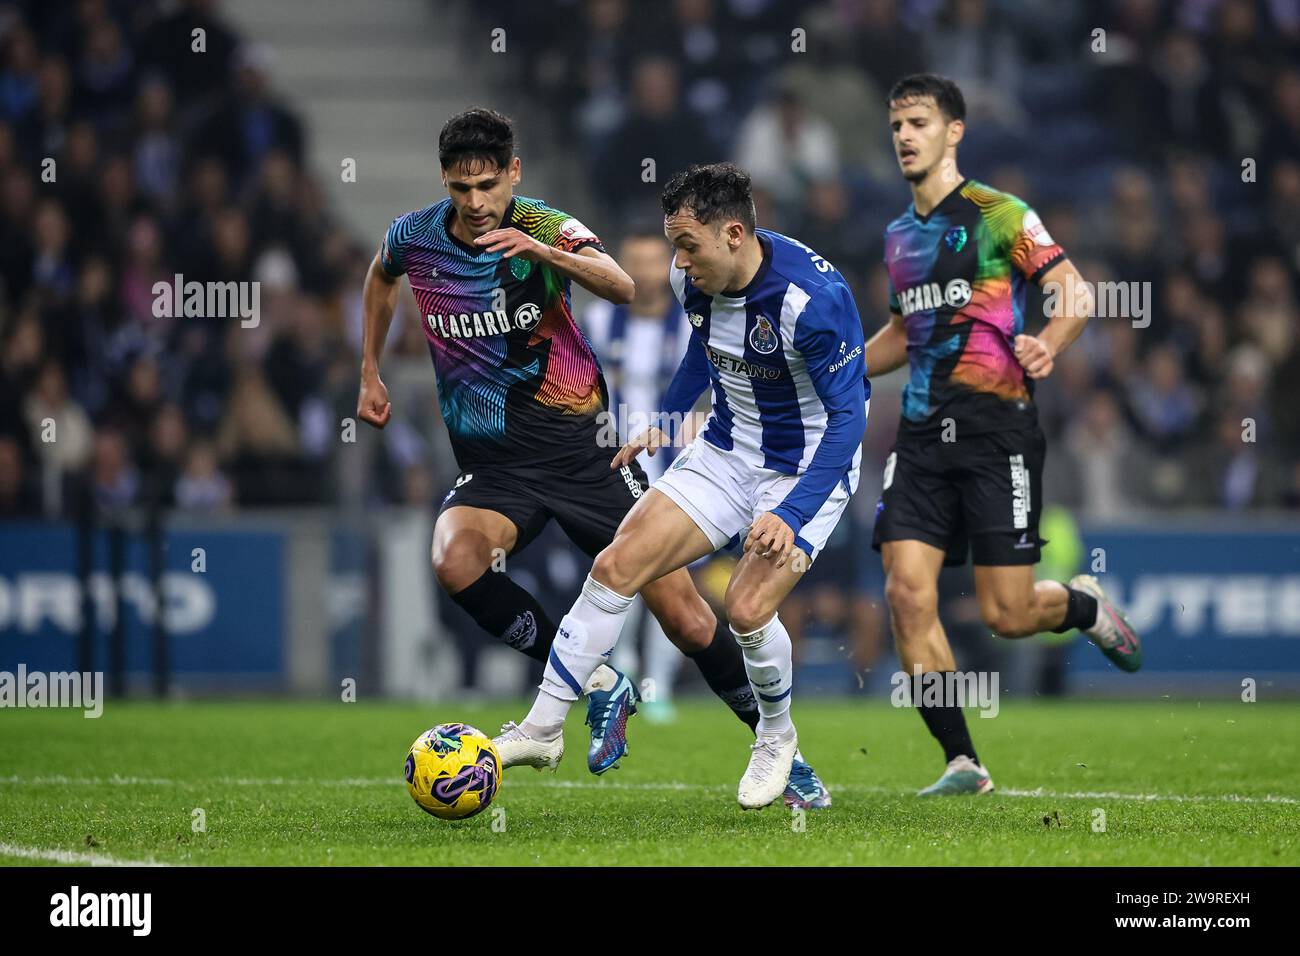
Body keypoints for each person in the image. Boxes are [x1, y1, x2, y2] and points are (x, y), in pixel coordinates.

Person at [357, 111, 831, 808]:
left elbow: (622, 284)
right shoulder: (418, 236)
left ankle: (783, 756)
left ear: (513, 174)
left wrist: (540, 252)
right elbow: (380, 274)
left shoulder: (545, 226)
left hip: (586, 455)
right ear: (445, 183)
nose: (477, 203)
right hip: (492, 466)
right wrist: (369, 368)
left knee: (690, 620)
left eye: (489, 184)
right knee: (454, 559)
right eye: (462, 188)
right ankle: (600, 681)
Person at [493, 163, 869, 810]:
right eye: (674, 246)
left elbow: (849, 421)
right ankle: (542, 727)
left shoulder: (813, 302)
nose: (676, 263)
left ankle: (777, 739)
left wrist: (794, 513)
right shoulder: (691, 277)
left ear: (732, 234)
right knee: (617, 564)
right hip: (723, 451)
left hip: (804, 467)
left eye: (688, 247)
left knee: (747, 611)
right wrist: (665, 421)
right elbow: (704, 349)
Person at [867, 74, 1142, 797]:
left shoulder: (1001, 214)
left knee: (1009, 614)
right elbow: (905, 330)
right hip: (922, 435)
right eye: (897, 124)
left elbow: (1074, 293)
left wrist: (1049, 341)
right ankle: (962, 761)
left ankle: (1081, 605)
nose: (904, 136)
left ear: (954, 131)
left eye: (919, 122)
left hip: (998, 433)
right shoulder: (898, 237)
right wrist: (841, 370)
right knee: (905, 592)